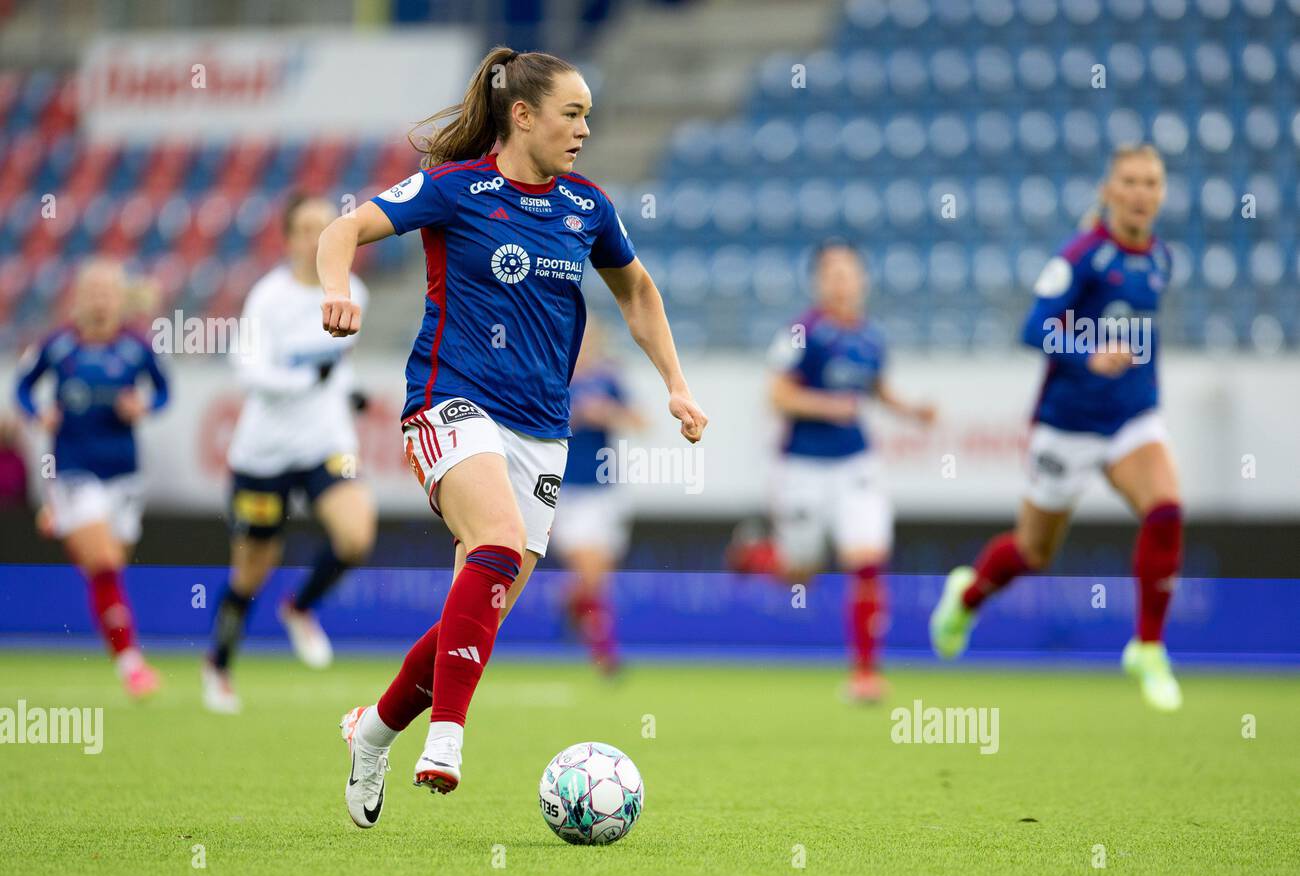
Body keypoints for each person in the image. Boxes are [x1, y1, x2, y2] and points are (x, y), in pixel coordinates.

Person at [316, 46, 707, 828]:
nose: (586, 129)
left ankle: (376, 730)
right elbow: (344, 228)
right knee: (493, 542)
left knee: (482, 600)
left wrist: (675, 382)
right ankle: (449, 740)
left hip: (542, 428)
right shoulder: (454, 190)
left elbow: (637, 293)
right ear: (522, 115)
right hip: (449, 400)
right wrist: (335, 288)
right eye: (573, 113)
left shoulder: (588, 206)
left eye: (589, 115)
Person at [929, 143, 1184, 712]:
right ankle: (967, 596)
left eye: (1152, 182)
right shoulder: (1082, 256)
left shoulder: (1162, 258)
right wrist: (1088, 351)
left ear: (1161, 193)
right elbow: (1032, 329)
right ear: (1109, 191)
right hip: (1067, 423)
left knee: (1166, 509)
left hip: (1130, 418)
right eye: (1131, 182)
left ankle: (1147, 647)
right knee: (1033, 552)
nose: (1142, 193)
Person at [729, 240, 935, 702]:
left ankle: (865, 673)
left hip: (856, 462)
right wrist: (827, 406)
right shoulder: (801, 332)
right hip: (802, 464)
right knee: (800, 572)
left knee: (866, 559)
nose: (842, 282)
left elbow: (876, 391)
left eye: (849, 272)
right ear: (819, 281)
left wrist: (913, 411)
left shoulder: (872, 337)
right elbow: (777, 396)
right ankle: (754, 556)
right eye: (832, 273)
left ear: (862, 279)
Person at [200, 195, 376, 715]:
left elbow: (337, 364)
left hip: (327, 444)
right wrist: (308, 379)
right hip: (265, 454)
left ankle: (299, 608)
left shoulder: (352, 289)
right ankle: (219, 664)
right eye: (306, 228)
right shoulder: (268, 299)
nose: (317, 237)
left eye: (326, 227)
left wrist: (350, 388)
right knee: (253, 566)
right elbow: (248, 370)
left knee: (356, 535)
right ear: (287, 238)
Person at [13, 259, 169, 697]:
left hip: (124, 473)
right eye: (92, 291)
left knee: (107, 567)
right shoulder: (59, 346)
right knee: (102, 562)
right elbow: (23, 387)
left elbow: (164, 391)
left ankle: (63, 521)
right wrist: (36, 412)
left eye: (107, 292)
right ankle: (132, 665)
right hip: (74, 468)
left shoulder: (136, 348)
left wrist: (145, 407)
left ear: (119, 299)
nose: (100, 300)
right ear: (79, 297)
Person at [550, 317, 645, 675]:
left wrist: (609, 413)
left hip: (605, 491)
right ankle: (606, 654)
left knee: (596, 579)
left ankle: (567, 604)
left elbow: (640, 421)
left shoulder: (608, 380)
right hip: (566, 489)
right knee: (590, 573)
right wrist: (574, 417)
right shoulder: (555, 379)